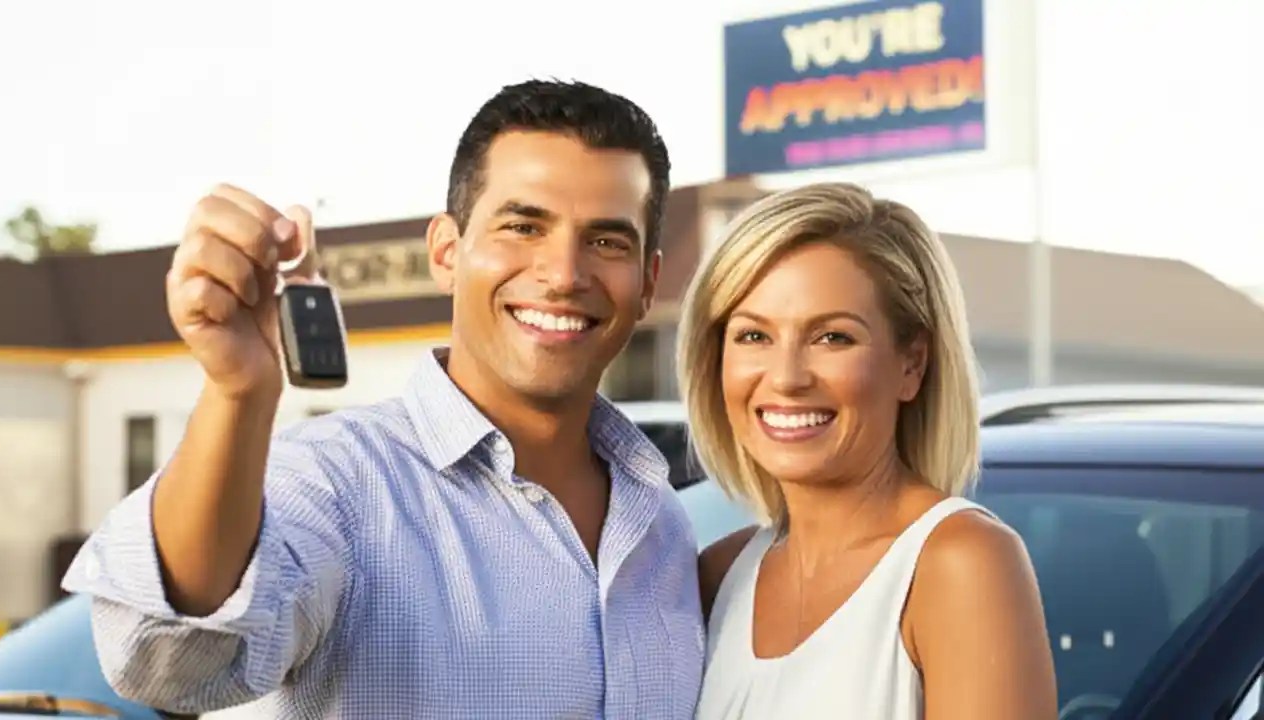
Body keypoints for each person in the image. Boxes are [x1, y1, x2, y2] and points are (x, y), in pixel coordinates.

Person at [61, 79, 705, 719]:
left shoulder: (662, 526)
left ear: (648, 281)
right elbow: (172, 663)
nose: (563, 274)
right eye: (522, 227)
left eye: (606, 242)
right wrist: (237, 395)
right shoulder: (338, 483)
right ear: (446, 253)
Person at [678, 183, 1057, 719]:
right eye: (753, 336)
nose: (786, 378)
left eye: (832, 337)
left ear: (912, 364)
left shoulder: (959, 563)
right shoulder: (717, 577)